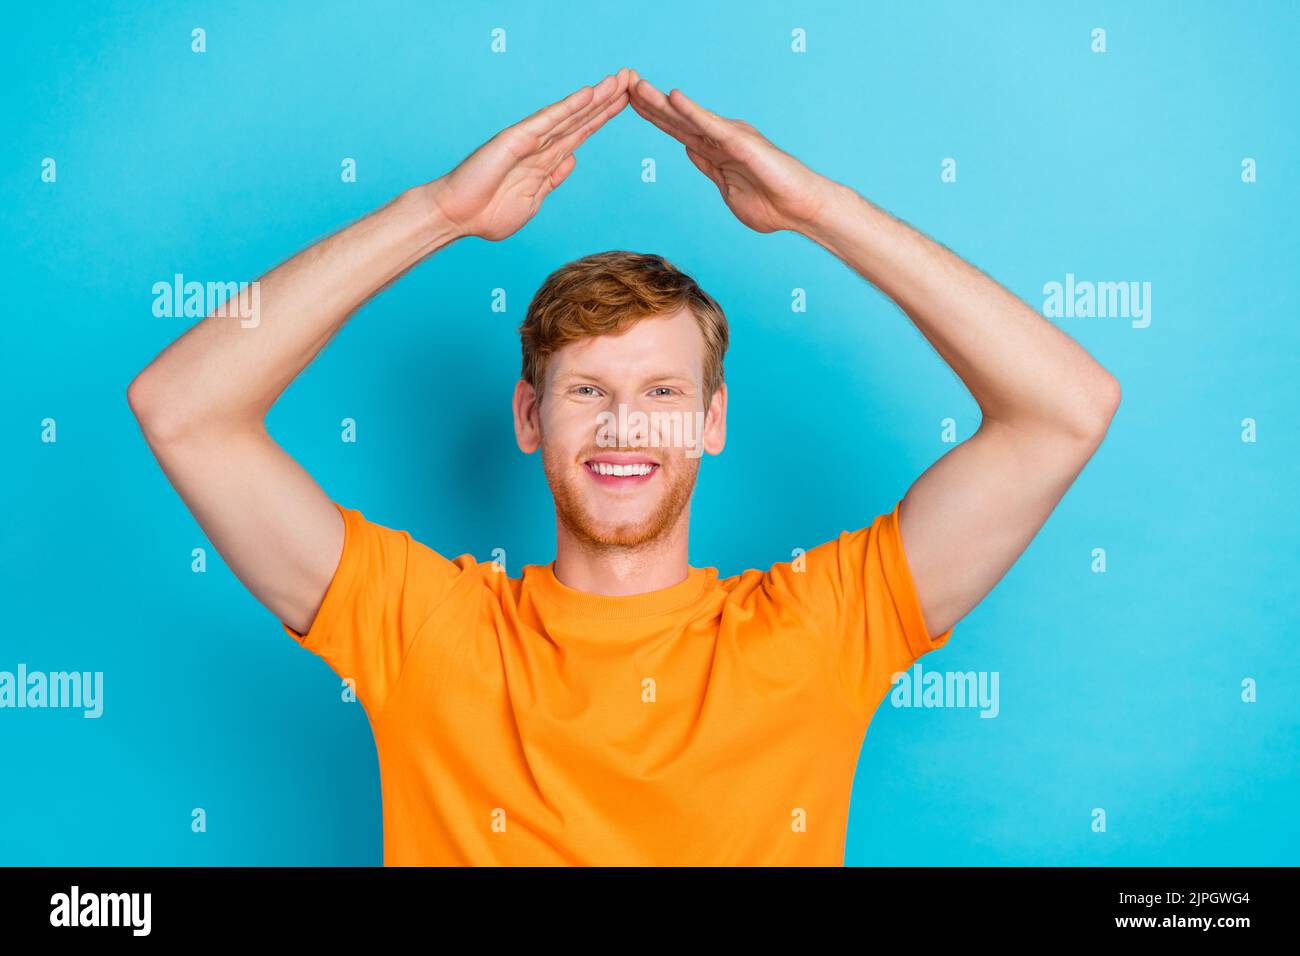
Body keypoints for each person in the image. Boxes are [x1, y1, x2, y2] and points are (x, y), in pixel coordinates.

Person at [127, 66, 1120, 865]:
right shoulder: (423, 629)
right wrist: (437, 211)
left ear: (712, 421)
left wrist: (820, 210)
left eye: (659, 393)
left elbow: (1065, 409)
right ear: (529, 416)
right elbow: (183, 409)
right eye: (587, 390)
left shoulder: (822, 630)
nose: (624, 427)